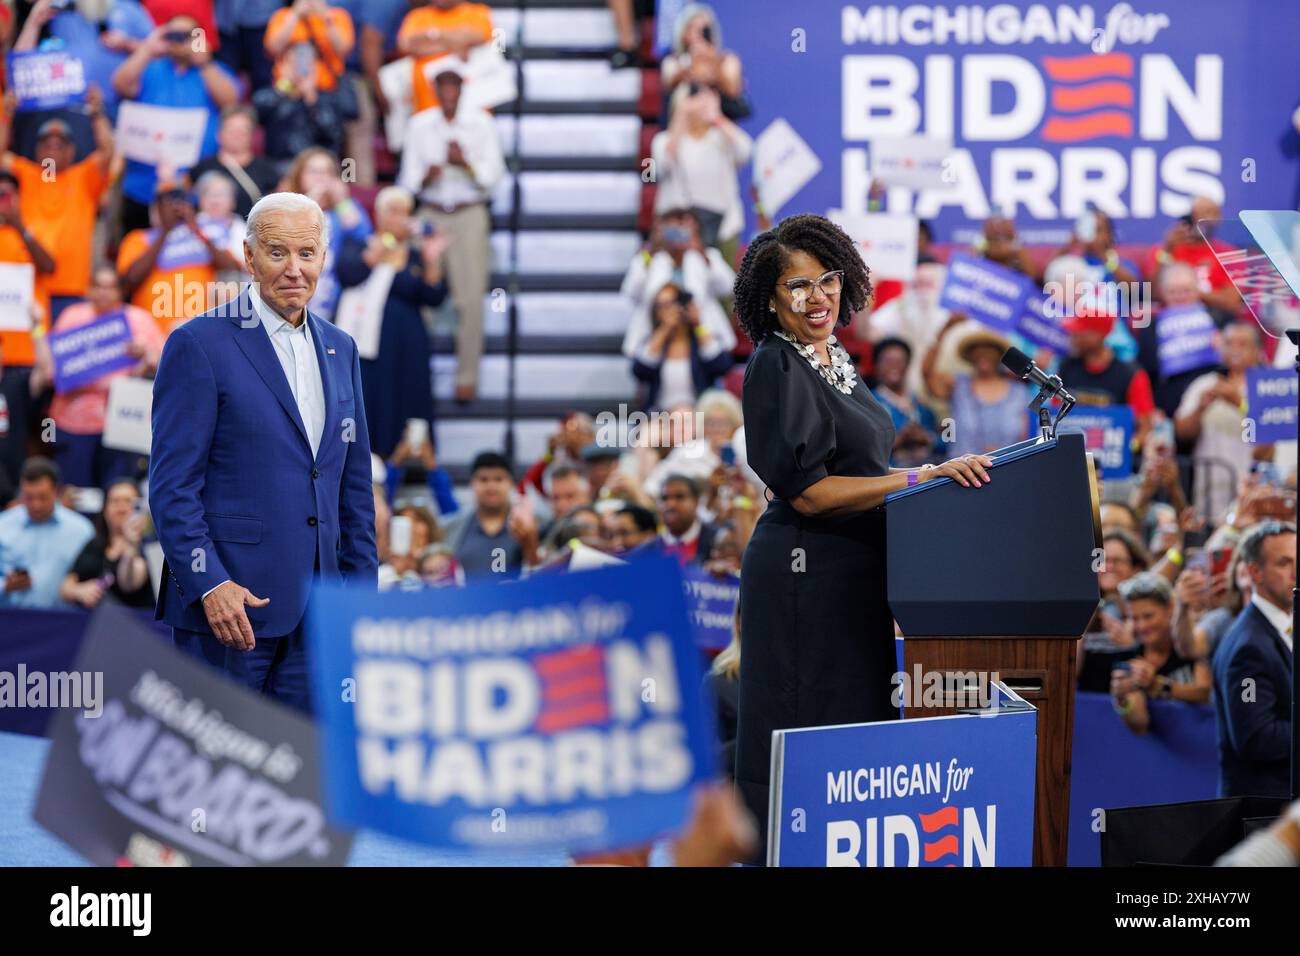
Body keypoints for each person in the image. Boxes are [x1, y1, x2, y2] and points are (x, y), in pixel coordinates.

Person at [731, 213, 993, 864]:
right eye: (798, 286)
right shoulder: (775, 365)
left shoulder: (835, 358)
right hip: (804, 578)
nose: (817, 296)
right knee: (808, 731)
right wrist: (919, 478)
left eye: (827, 279)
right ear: (771, 298)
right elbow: (811, 491)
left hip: (854, 576)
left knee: (854, 729)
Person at [148, 192, 378, 713]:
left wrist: (360, 602)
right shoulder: (198, 343)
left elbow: (352, 489)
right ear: (249, 257)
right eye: (277, 252)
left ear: (323, 257)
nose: (294, 269)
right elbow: (171, 489)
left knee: (302, 778)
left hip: (320, 615)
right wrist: (210, 585)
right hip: (228, 615)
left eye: (307, 252)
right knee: (211, 775)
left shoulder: (342, 349)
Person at [397, 63, 503, 403]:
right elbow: (408, 181)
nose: (448, 91)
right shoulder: (420, 124)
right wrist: (428, 177)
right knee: (422, 295)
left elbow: (493, 179)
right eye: (441, 85)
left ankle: (467, 377)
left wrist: (464, 163)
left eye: (453, 84)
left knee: (469, 299)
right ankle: (415, 372)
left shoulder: (481, 123)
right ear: (434, 89)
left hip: (469, 212)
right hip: (430, 212)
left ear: (462, 87)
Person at [335, 185, 446, 460]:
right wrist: (383, 246)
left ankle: (407, 464)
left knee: (407, 405)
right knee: (370, 405)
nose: (399, 218)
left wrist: (432, 260)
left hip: (408, 347)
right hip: (367, 348)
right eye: (393, 211)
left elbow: (433, 296)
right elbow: (349, 274)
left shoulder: (415, 255)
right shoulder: (360, 244)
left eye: (405, 212)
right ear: (379, 213)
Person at [34, 264, 164, 489]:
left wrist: (145, 355)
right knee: (76, 495)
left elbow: (166, 363)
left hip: (123, 423)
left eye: (110, 287)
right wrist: (36, 328)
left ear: (120, 291)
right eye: (98, 286)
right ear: (89, 290)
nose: (104, 292)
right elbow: (51, 371)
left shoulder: (138, 319)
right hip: (73, 422)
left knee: (117, 491)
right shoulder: (72, 316)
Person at [111, 15, 240, 235]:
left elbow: (230, 102)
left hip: (195, 185)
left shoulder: (213, 70)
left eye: (188, 35)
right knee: (138, 250)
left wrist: (204, 62)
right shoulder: (151, 68)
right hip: (143, 183)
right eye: (174, 34)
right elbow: (121, 85)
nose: (180, 40)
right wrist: (147, 48)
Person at [0, 87, 113, 323]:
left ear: (72, 151)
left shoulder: (84, 177)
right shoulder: (25, 174)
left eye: (59, 144)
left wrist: (97, 113)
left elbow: (107, 152)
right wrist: (6, 114)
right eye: (46, 144)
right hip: (28, 286)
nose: (52, 149)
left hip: (72, 290)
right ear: (36, 149)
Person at [1212, 520, 1295, 799]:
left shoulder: (1282, 627)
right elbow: (1256, 739)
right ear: (1254, 572)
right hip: (1263, 814)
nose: (1296, 573)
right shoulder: (1248, 649)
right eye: (1284, 563)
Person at [1174, 322, 1267, 522]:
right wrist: (1200, 407)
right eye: (1229, 343)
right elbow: (1182, 432)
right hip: (1208, 490)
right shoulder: (1205, 384)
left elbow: (1269, 442)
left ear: (1258, 351)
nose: (1235, 350)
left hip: (1251, 490)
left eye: (1243, 344)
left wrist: (1239, 403)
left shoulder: (1266, 387)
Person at [117, 184, 241, 329]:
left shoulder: (207, 232)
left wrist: (195, 228)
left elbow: (230, 268)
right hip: (154, 331)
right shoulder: (138, 238)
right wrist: (165, 231)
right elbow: (131, 279)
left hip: (201, 328)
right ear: (155, 210)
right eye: (167, 206)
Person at [621, 209, 736, 360]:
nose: (678, 235)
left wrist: (702, 252)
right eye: (672, 230)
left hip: (701, 332)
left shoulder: (705, 255)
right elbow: (631, 293)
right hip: (655, 334)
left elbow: (729, 288)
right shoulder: (648, 258)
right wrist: (651, 251)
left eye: (682, 229)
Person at [651, 85, 752, 256]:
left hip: (723, 225)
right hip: (678, 228)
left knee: (725, 280)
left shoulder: (721, 137)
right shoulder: (662, 140)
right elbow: (661, 166)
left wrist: (717, 117)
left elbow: (746, 150)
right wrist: (681, 114)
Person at [1106, 572, 1211, 735]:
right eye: (1135, 618)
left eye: (1148, 616)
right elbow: (1139, 726)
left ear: (1169, 608)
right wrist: (1121, 700)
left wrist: (1157, 685)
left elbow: (1205, 693)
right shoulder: (1133, 657)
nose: (1142, 626)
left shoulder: (1189, 643)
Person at [279, 147, 372, 320]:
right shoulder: (285, 204)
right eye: (314, 171)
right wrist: (310, 202)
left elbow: (363, 238)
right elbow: (283, 235)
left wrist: (342, 202)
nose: (320, 177)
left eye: (327, 172)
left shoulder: (343, 207)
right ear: (300, 175)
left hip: (333, 293)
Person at [0, 457, 95, 609]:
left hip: (65, 623)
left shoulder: (82, 531)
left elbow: (92, 579)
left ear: (56, 491)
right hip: (11, 621)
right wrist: (5, 585)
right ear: (20, 491)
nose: (36, 505)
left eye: (43, 497)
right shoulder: (3, 525)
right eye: (29, 497)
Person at [924, 323, 1031, 456]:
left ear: (1000, 356)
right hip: (962, 472)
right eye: (977, 350)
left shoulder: (1018, 391)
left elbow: (1025, 439)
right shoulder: (958, 386)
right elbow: (927, 374)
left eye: (989, 350)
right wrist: (945, 329)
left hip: (1010, 470)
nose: (983, 355)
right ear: (970, 356)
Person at [631, 281, 733, 411]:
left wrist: (698, 324)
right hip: (661, 417)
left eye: (670, 304)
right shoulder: (653, 342)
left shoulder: (700, 341)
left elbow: (722, 365)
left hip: (698, 415)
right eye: (660, 306)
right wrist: (665, 329)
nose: (667, 311)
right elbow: (640, 370)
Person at [440, 451, 539, 580]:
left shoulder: (533, 524)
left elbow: (543, 574)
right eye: (483, 479)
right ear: (472, 483)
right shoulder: (449, 528)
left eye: (498, 479)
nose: (491, 486)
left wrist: (530, 543)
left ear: (511, 483)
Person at [61, 477, 153, 609]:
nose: (121, 508)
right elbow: (65, 587)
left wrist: (131, 545)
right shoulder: (95, 544)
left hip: (135, 624)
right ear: (105, 509)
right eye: (115, 501)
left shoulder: (148, 545)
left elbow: (129, 582)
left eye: (128, 501)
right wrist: (80, 591)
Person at [395, 0, 493, 117]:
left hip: (473, 110)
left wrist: (427, 38)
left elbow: (479, 36)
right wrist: (455, 44)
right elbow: (405, 45)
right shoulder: (417, 15)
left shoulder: (478, 12)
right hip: (426, 109)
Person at [186, 105, 283, 218]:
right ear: (219, 134)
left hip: (252, 232)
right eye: (231, 129)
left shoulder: (267, 169)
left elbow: (280, 207)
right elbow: (187, 203)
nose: (237, 135)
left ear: (252, 135)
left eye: (243, 130)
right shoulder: (201, 168)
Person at [870, 336, 944, 468]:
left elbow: (946, 443)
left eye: (899, 361)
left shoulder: (922, 404)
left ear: (908, 364)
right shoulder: (869, 403)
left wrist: (926, 438)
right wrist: (898, 441)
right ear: (877, 365)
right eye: (888, 361)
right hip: (890, 482)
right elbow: (864, 450)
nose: (894, 366)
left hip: (926, 480)